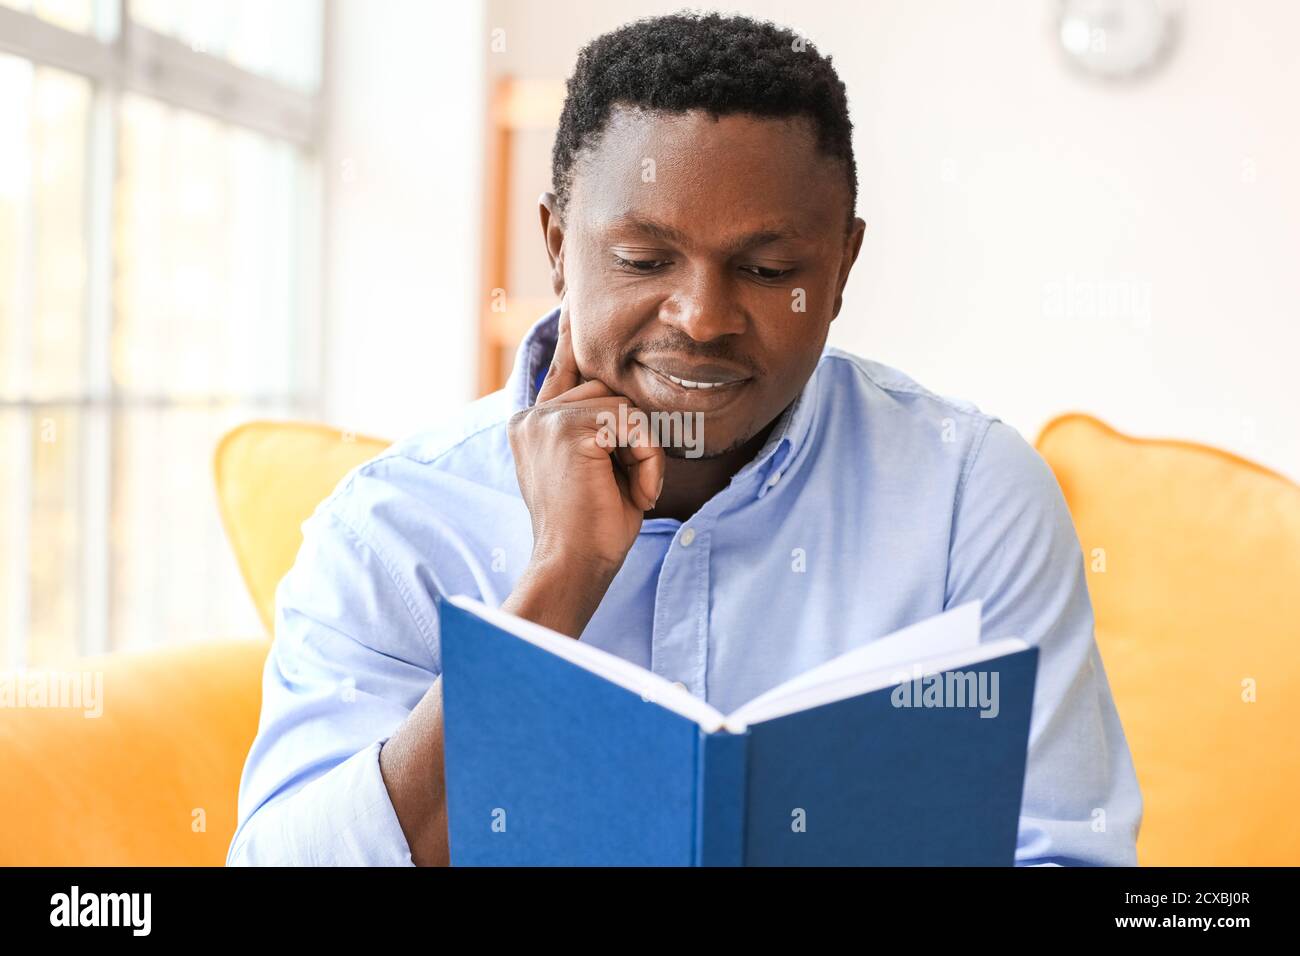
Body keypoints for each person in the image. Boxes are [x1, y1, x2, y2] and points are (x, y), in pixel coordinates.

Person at [228, 11, 1141, 866]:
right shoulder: (391, 527)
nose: (702, 318)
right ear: (555, 245)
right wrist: (556, 585)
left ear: (841, 268)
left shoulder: (967, 495)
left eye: (766, 268)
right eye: (642, 260)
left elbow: (1066, 848)